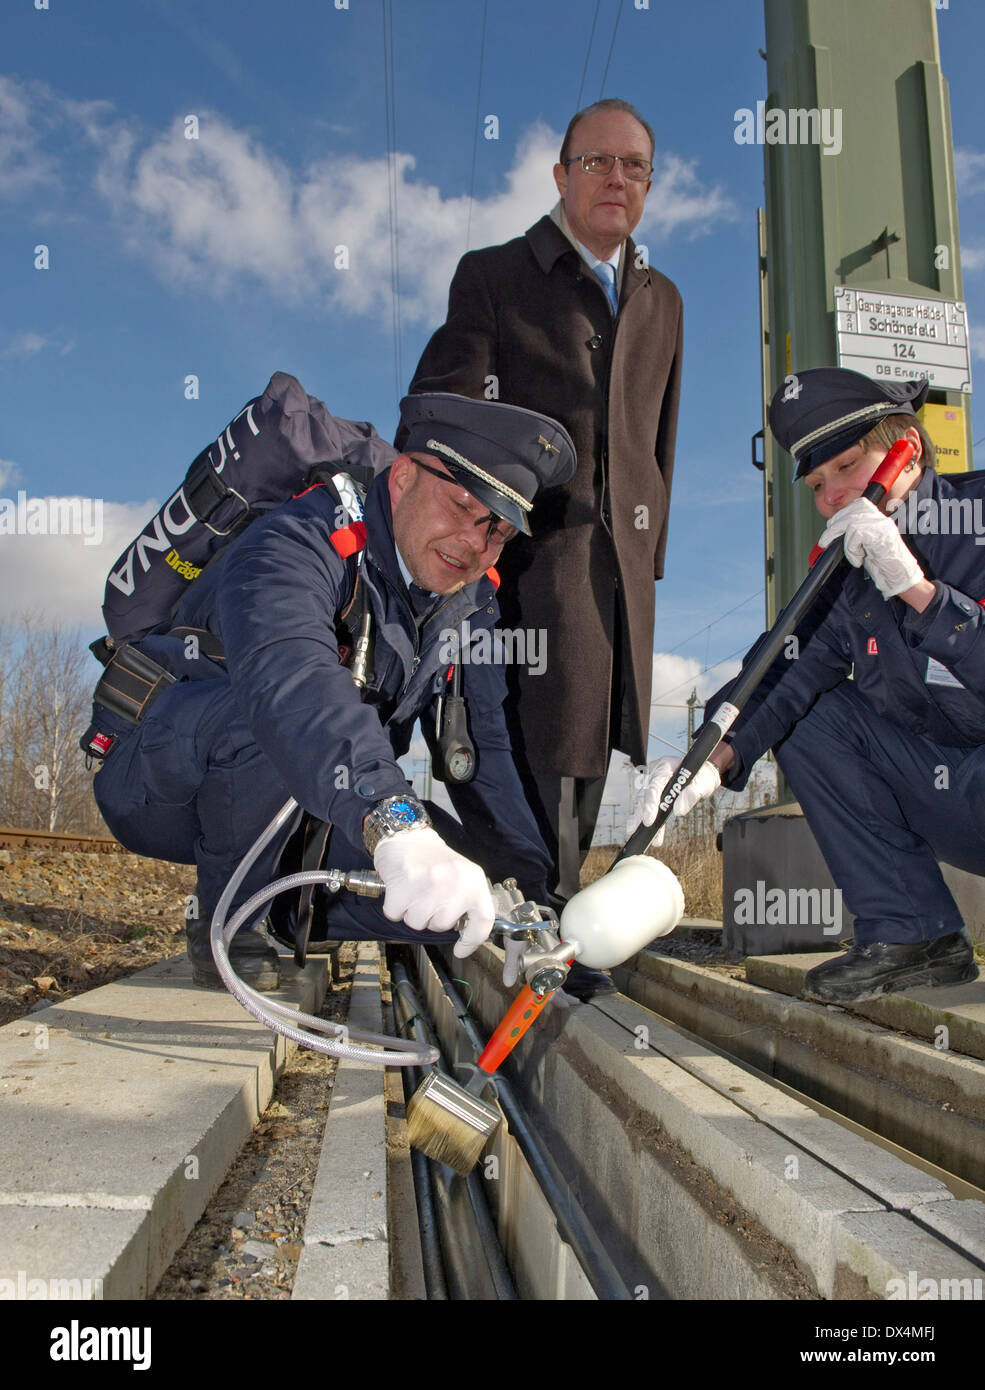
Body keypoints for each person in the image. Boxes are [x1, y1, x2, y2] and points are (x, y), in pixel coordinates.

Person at [88, 394, 575, 991]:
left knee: (476, 896)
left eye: (497, 529)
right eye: (462, 506)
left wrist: (535, 900)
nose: (474, 543)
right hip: (165, 777)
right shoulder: (294, 539)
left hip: (313, 797)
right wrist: (395, 824)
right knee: (266, 721)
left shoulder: (469, 607)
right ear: (402, 479)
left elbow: (485, 755)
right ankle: (229, 923)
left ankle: (293, 908)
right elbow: (290, 684)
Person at [399, 98, 683, 1000]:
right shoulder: (493, 275)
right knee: (530, 747)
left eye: (634, 166)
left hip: (619, 572)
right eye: (596, 162)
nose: (616, 179)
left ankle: (553, 925)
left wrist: (648, 560)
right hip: (527, 562)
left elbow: (660, 439)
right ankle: (536, 930)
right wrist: (460, 536)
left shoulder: (663, 298)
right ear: (560, 176)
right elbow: (439, 408)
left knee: (594, 750)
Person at [631, 368, 983, 1004]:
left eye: (848, 466)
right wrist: (704, 762)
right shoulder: (849, 576)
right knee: (812, 715)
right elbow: (780, 674)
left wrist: (921, 594)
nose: (831, 498)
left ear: (909, 448)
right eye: (819, 484)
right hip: (960, 796)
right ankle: (917, 936)